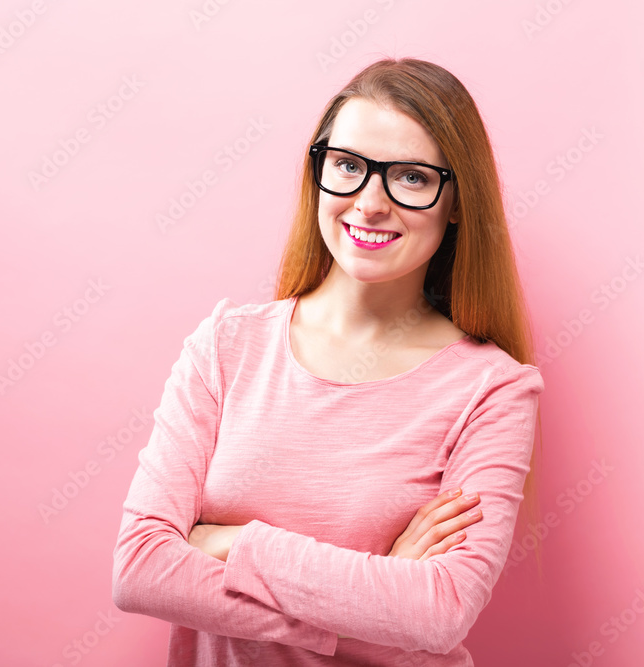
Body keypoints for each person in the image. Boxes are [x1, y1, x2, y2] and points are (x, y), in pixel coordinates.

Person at [111, 56, 545, 666]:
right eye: (346, 166)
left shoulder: (492, 389)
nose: (369, 204)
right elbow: (140, 569)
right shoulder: (225, 347)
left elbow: (439, 612)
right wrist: (366, 606)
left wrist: (232, 543)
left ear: (456, 202)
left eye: (412, 178)